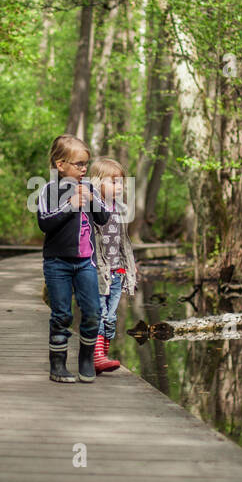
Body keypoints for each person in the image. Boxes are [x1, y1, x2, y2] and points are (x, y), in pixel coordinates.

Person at [37, 134, 109, 383]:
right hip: (57, 263)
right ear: (60, 164)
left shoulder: (88, 188)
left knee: (92, 311)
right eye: (78, 164)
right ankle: (57, 365)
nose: (83, 169)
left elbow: (104, 218)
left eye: (85, 164)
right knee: (62, 314)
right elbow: (44, 223)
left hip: (85, 263)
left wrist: (91, 201)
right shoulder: (49, 190)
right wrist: (70, 205)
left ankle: (86, 359)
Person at [88, 156, 137, 373]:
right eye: (114, 182)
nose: (119, 186)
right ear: (98, 183)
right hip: (100, 270)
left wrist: (130, 265)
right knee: (100, 312)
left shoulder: (120, 208)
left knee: (111, 315)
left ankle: (103, 356)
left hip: (118, 270)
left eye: (121, 182)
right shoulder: (93, 207)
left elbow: (123, 241)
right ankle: (96, 356)